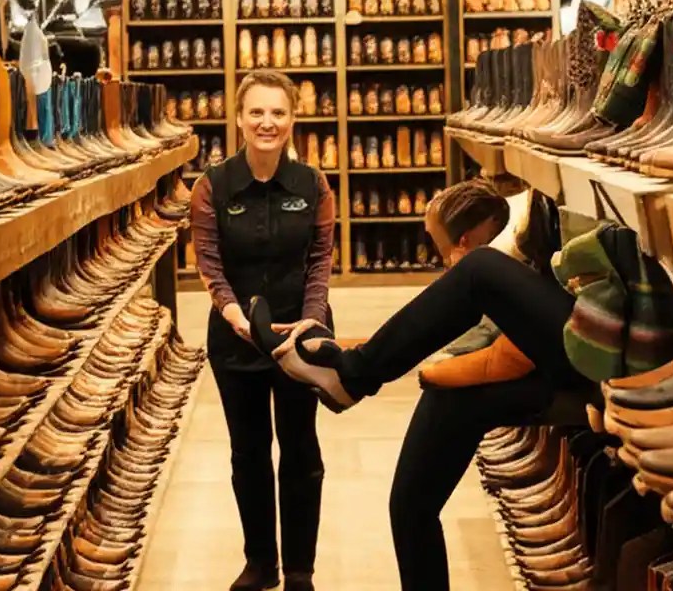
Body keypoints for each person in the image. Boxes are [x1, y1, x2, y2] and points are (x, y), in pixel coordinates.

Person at [251, 179, 594, 591]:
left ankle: (353, 373)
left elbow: (506, 357)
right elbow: (484, 344)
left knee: (478, 271)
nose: (444, 258)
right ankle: (351, 370)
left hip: (598, 364)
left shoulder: (506, 245)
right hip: (569, 354)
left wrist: (432, 371)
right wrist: (346, 346)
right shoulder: (532, 223)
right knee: (412, 499)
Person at [189, 70, 336, 591]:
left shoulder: (313, 184)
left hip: (302, 335)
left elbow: (321, 259)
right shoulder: (213, 184)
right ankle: (260, 563)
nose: (266, 122)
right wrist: (234, 315)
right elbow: (208, 261)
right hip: (236, 338)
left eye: (278, 112)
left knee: (300, 450)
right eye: (256, 112)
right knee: (248, 452)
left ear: (292, 120)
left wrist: (313, 317)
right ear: (238, 118)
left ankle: (299, 569)